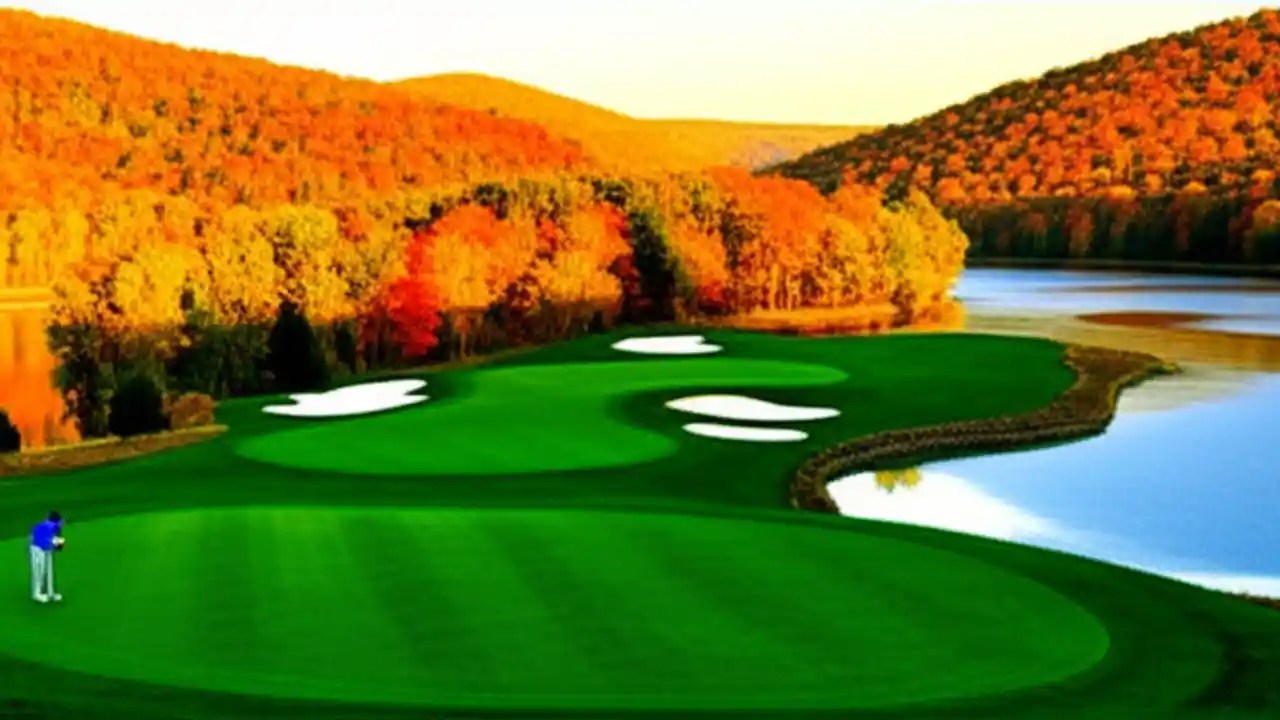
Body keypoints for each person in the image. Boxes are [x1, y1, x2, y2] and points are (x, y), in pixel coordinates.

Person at [30, 511, 64, 604]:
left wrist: (58, 543)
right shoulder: (43, 527)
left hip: (48, 550)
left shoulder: (54, 527)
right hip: (37, 550)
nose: (61, 523)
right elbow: (42, 542)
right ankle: (36, 594)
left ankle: (51, 593)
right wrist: (56, 543)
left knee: (49, 571)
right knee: (39, 572)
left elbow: (56, 540)